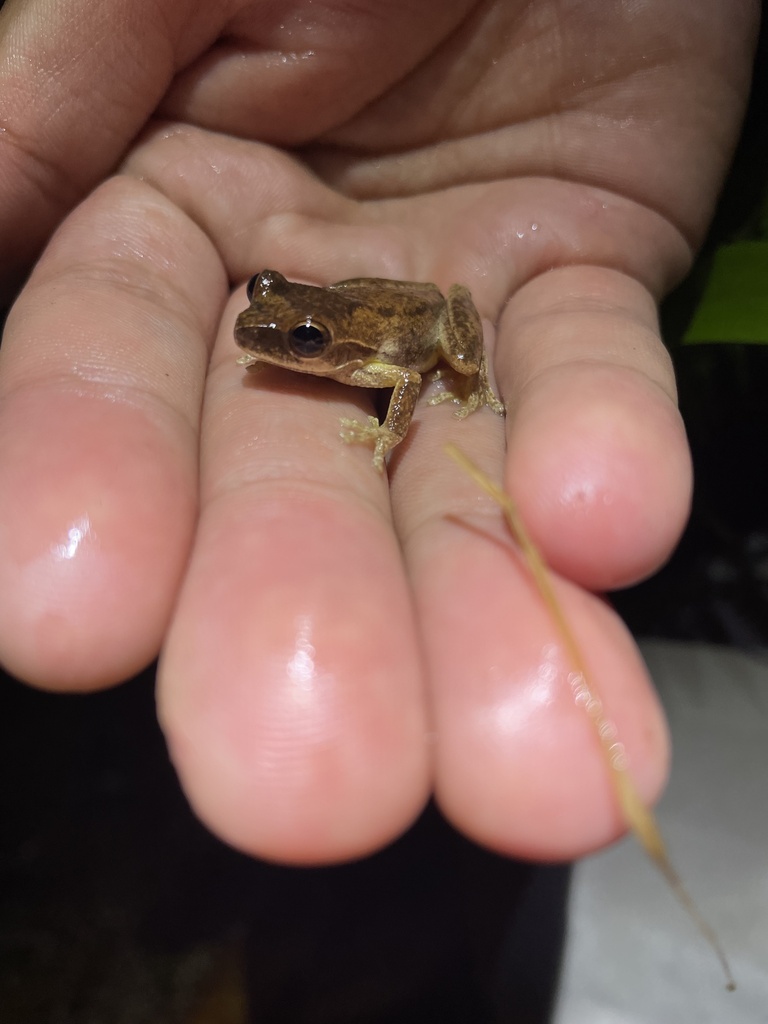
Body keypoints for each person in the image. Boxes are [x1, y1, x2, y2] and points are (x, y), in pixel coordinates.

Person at [0, 0, 758, 865]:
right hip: (370, 295)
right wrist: (294, 318)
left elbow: (404, 374)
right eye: (267, 311)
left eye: (301, 344)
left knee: (457, 363)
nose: (265, 341)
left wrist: (395, 432)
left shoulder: (374, 365)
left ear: (329, 352)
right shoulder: (291, 322)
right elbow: (290, 318)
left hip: (424, 322)